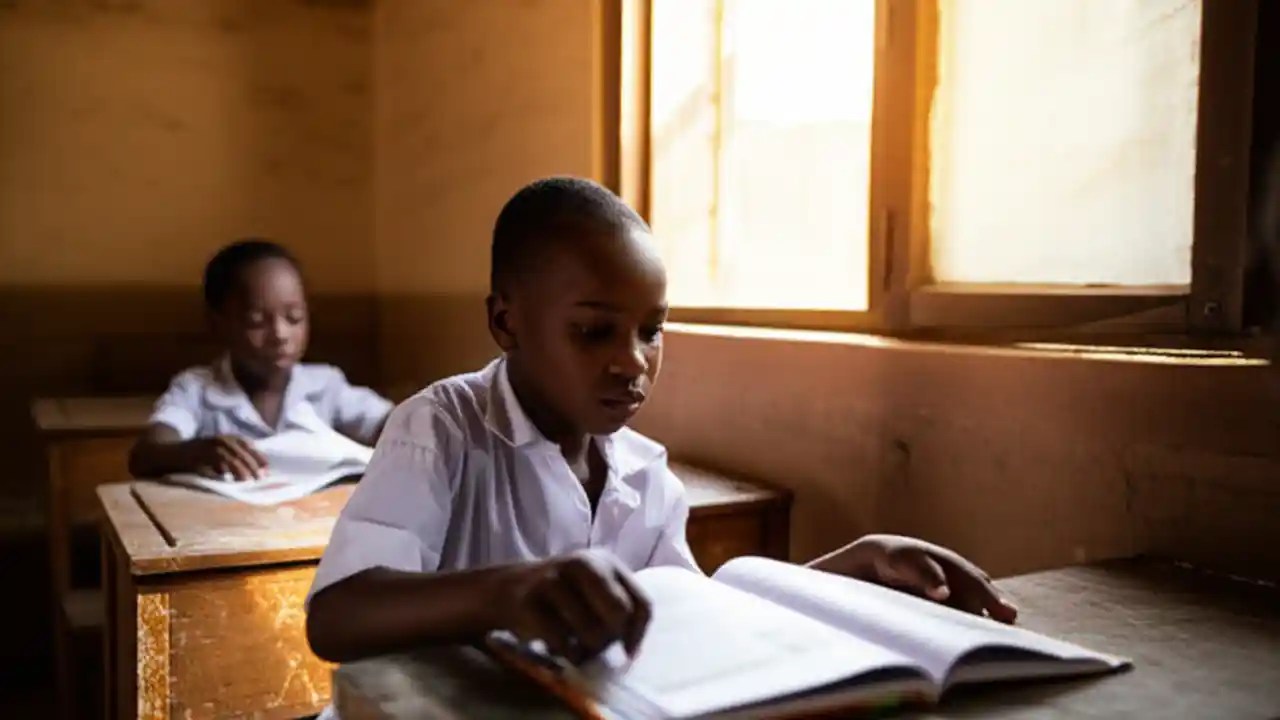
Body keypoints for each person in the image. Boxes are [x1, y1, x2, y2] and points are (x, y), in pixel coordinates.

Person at [305, 178, 1017, 674]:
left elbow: (686, 617)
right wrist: (504, 591)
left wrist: (845, 574)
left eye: (652, 331)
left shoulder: (642, 472)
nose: (632, 363)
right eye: (593, 332)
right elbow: (335, 617)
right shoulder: (441, 429)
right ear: (505, 323)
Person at [128, 239, 393, 481]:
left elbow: (392, 423)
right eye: (256, 322)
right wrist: (192, 453)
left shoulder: (326, 385)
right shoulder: (196, 389)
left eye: (294, 318)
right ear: (217, 324)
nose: (279, 335)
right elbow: (146, 454)